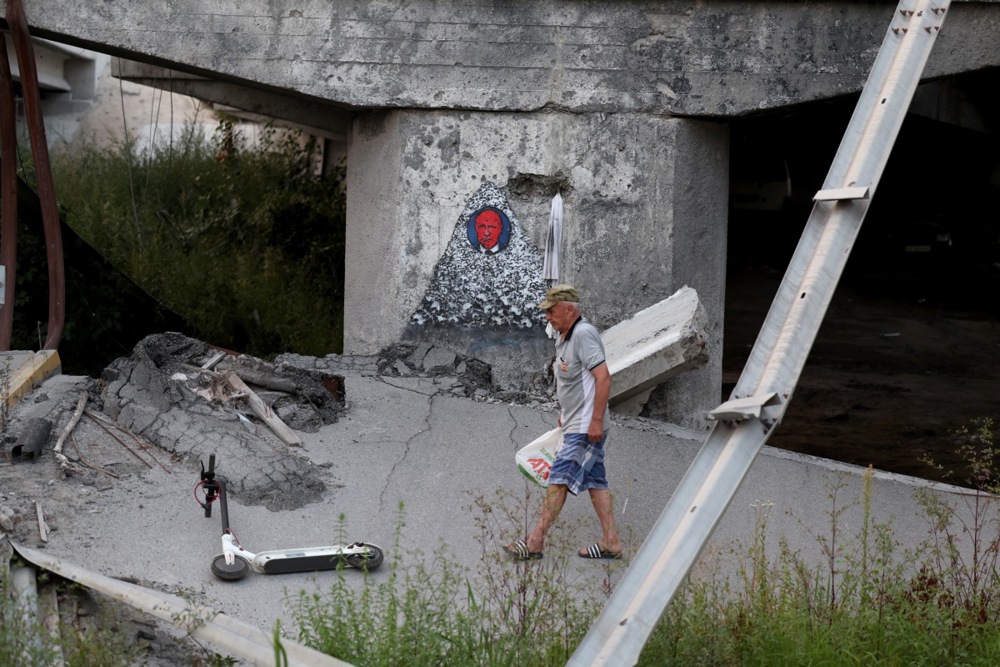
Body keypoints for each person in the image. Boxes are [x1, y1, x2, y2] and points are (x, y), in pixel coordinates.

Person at [504, 284, 623, 561]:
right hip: (576, 422)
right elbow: (576, 382)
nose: (547, 316)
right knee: (596, 481)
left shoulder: (583, 334)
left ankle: (535, 542)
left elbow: (603, 377)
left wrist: (595, 421)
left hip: (584, 428)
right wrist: (566, 412)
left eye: (551, 310)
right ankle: (611, 542)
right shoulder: (564, 336)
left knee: (558, 480)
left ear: (569, 310)